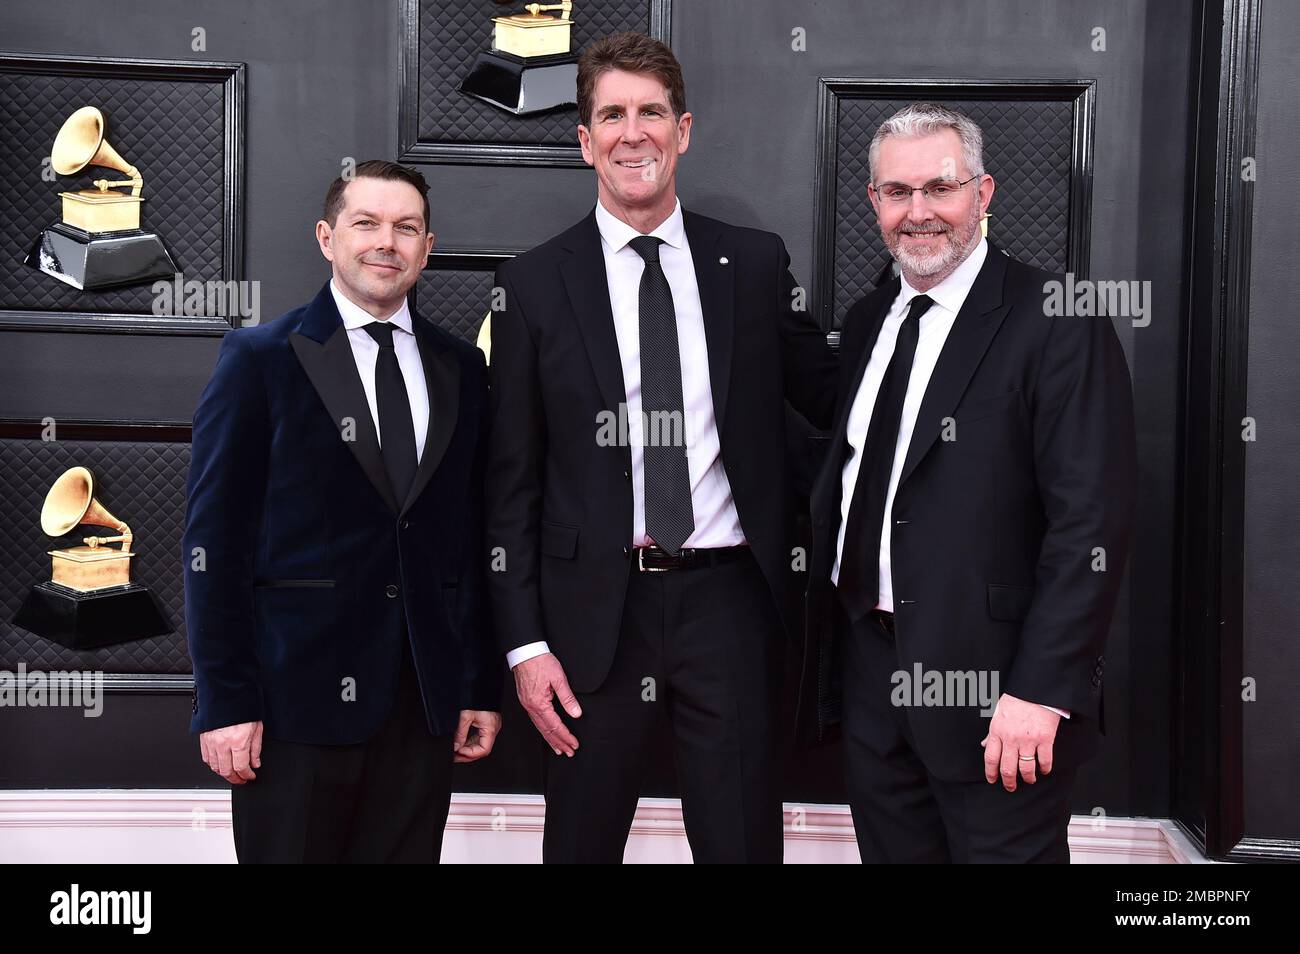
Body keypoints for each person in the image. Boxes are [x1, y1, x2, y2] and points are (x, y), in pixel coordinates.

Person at [486, 32, 836, 863]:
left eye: (651, 112)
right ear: (584, 141)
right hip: (590, 619)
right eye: (612, 114)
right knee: (580, 845)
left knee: (743, 843)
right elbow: (510, 484)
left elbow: (833, 396)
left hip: (732, 605)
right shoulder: (532, 284)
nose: (631, 132)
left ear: (685, 130)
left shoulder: (752, 263)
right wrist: (526, 647)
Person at [796, 103, 1136, 863]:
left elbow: (1090, 525)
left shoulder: (1057, 317)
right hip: (871, 678)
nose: (919, 213)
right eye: (896, 192)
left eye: (939, 189)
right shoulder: (870, 317)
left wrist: (1042, 691)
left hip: (1000, 697)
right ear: (874, 203)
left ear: (982, 194)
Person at [184, 160, 501, 863]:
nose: (385, 241)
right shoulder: (258, 359)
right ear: (328, 237)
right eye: (367, 223)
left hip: (421, 711)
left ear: (427, 246)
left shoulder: (462, 371)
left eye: (406, 227)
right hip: (292, 711)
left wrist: (478, 684)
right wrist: (226, 702)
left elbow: (474, 543)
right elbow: (214, 546)